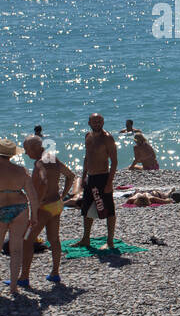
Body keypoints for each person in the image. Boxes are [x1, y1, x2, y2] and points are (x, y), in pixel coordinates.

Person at [21, 135, 74, 285]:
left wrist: (38, 202)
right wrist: (63, 195)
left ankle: (23, 277)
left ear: (35, 148)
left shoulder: (39, 163)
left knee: (27, 241)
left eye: (27, 149)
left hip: (44, 207)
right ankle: (55, 273)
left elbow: (43, 181)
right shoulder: (52, 158)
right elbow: (70, 176)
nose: (26, 153)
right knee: (54, 239)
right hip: (57, 204)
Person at [72, 113, 118, 251]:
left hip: (103, 177)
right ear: (89, 123)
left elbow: (114, 162)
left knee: (108, 209)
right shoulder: (88, 136)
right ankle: (86, 239)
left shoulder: (107, 138)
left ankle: (110, 241)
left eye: (99, 121)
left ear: (103, 122)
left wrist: (110, 183)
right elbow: (87, 157)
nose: (97, 123)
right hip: (90, 178)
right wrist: (84, 176)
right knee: (86, 209)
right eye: (94, 121)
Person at [0, 139, 39, 294]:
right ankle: (14, 286)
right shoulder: (21, 171)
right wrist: (34, 215)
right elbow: (33, 197)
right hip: (20, 209)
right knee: (16, 249)